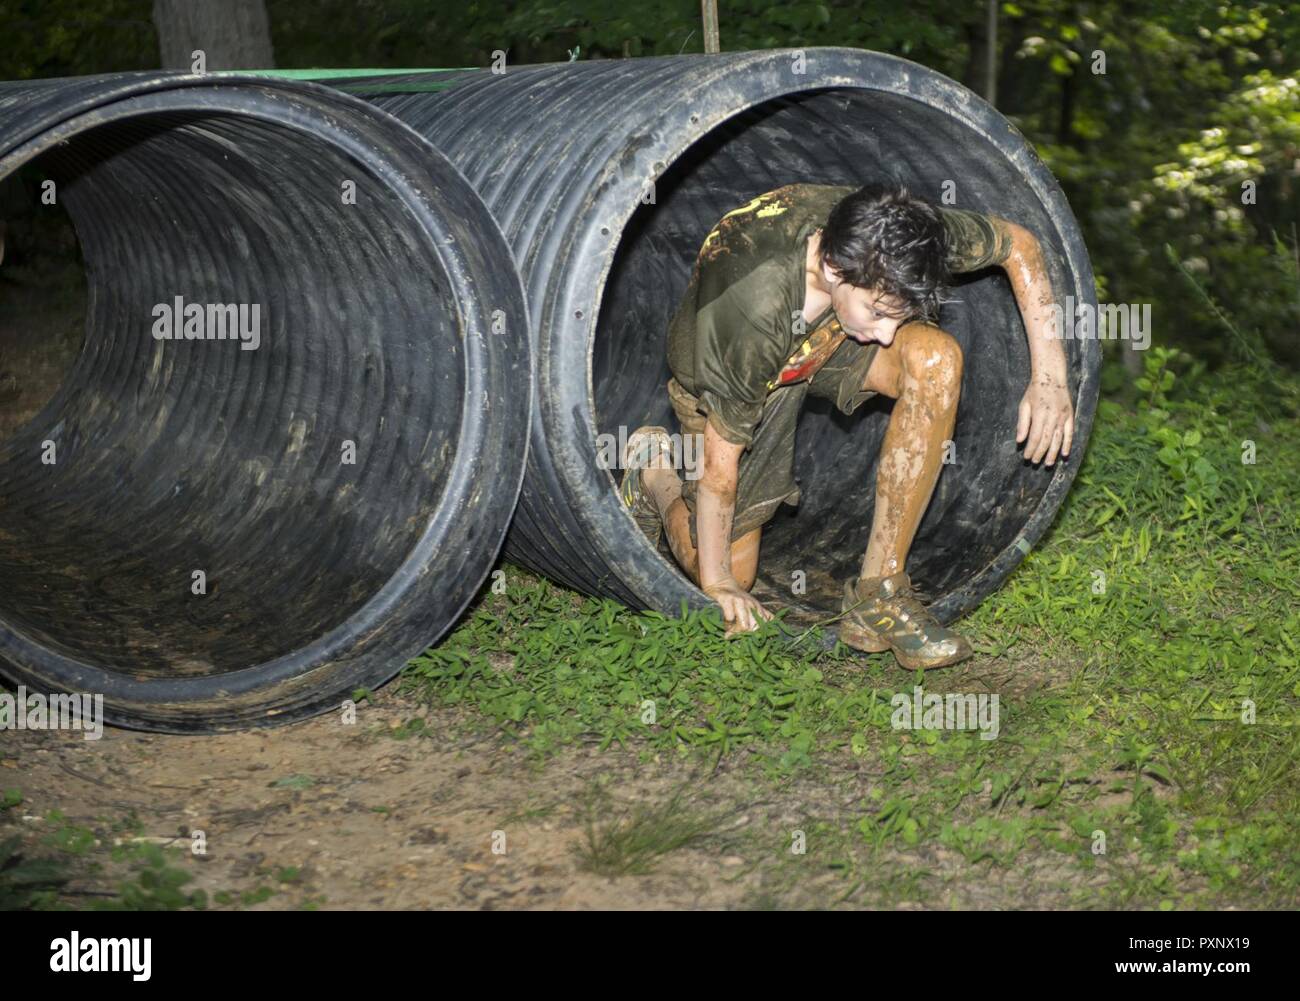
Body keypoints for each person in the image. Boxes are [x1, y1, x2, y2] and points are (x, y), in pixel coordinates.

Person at [619, 183, 1074, 670]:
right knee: (733, 573)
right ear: (834, 268)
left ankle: (879, 595)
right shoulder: (754, 306)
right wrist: (719, 585)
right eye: (879, 313)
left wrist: (1050, 378)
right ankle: (655, 474)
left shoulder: (897, 240)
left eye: (895, 316)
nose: (886, 333)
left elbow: (1019, 244)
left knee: (935, 357)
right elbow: (718, 474)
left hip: (831, 336)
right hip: (740, 377)